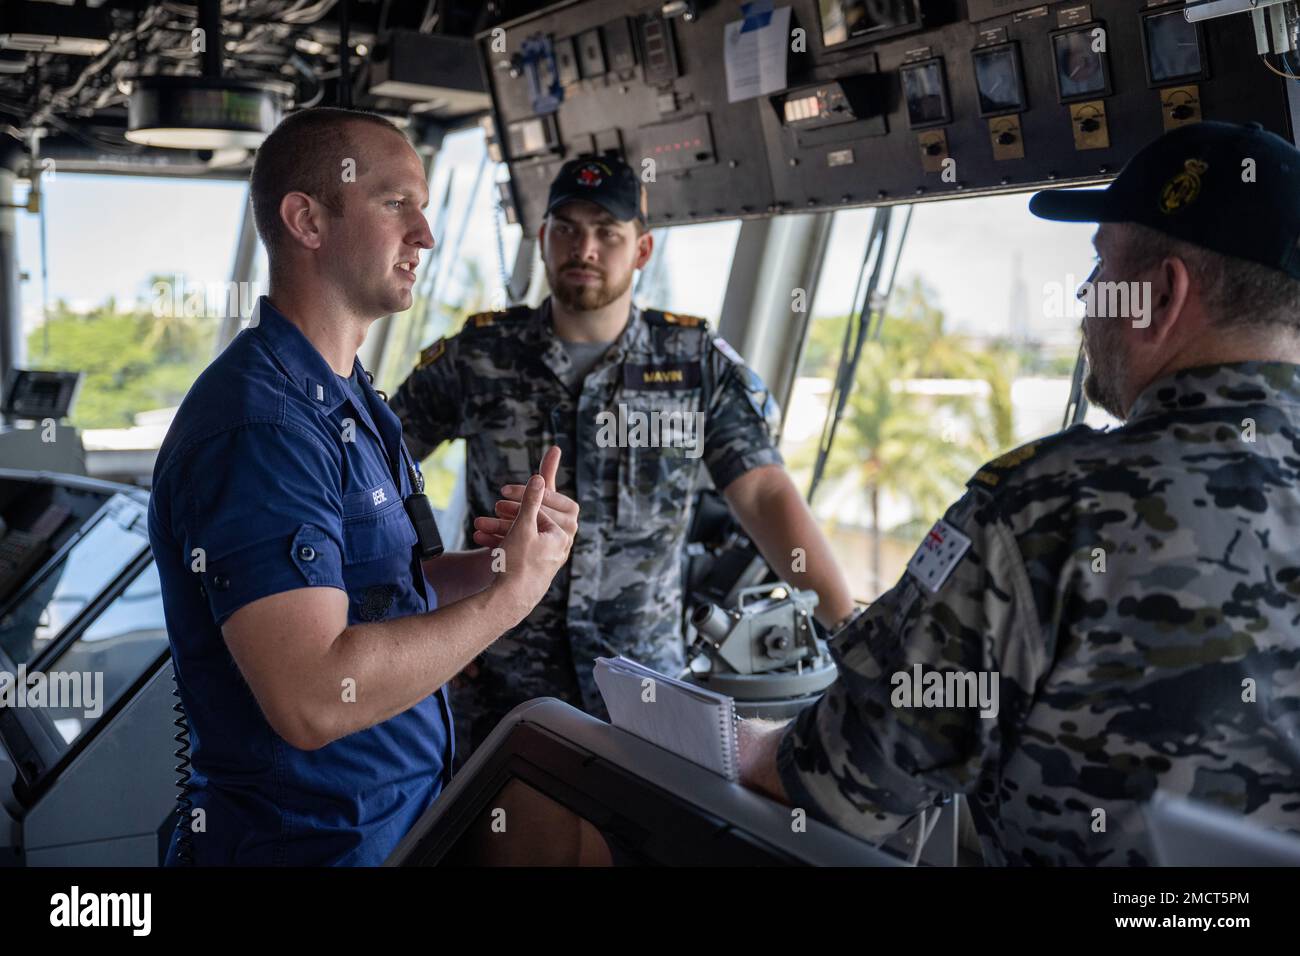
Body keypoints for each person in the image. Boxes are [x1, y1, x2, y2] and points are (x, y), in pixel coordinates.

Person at [737, 121, 1300, 865]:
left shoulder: (1043, 512)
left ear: (1159, 295)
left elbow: (834, 783)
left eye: (1102, 269)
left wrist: (732, 744)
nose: (1085, 293)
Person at [148, 107, 577, 866]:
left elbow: (381, 595)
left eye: (425, 208)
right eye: (395, 204)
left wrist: (501, 568)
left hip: (391, 829)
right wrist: (510, 604)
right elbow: (312, 696)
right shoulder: (260, 430)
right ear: (307, 220)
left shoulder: (346, 398)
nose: (426, 235)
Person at [389, 155, 855, 760]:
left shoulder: (694, 364)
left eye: (607, 233)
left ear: (641, 251)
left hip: (645, 688)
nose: (585, 248)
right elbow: (376, 471)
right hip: (498, 686)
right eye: (568, 228)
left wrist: (850, 634)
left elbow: (765, 493)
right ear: (543, 238)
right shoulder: (479, 355)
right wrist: (422, 616)